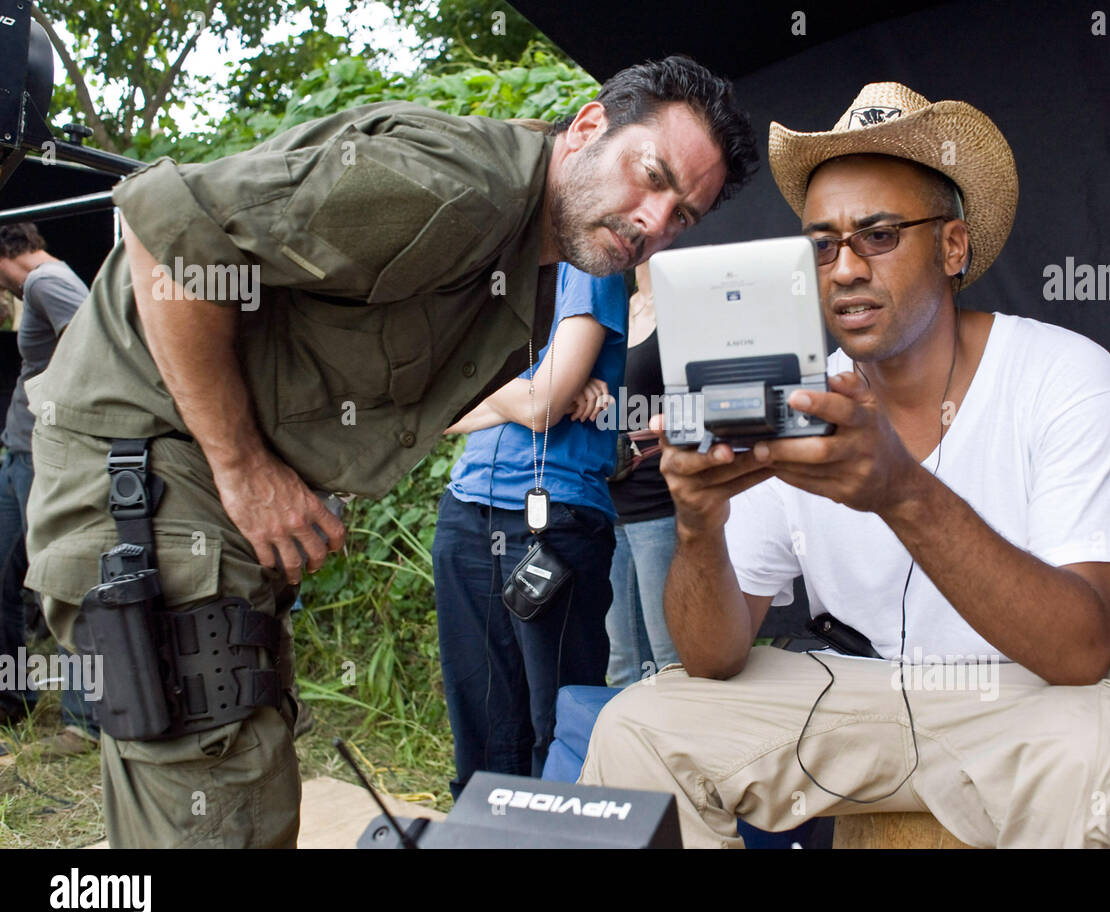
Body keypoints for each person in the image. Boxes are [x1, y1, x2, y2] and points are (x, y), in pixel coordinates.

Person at [23, 54, 757, 847]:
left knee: (205, 780)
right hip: (148, 473)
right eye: (650, 175)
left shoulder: (532, 266)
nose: (653, 220)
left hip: (190, 487)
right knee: (222, 798)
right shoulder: (451, 187)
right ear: (586, 127)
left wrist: (293, 468)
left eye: (683, 214)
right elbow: (168, 235)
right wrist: (244, 468)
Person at [579, 82, 1110, 848]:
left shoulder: (1062, 372)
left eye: (878, 235)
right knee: (641, 725)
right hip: (868, 694)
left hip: (1037, 703)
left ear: (953, 246)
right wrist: (698, 525)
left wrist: (901, 491)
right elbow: (712, 656)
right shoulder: (798, 399)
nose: (845, 267)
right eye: (821, 244)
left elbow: (1082, 652)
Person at [433, 261, 626, 795]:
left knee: (559, 718)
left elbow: (539, 407)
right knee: (479, 713)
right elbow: (439, 411)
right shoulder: (496, 271)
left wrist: (487, 383)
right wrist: (532, 392)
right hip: (465, 509)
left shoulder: (592, 265)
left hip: (556, 516)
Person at [0, 224, 99, 754]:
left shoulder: (45, 281)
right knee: (7, 578)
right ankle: (12, 697)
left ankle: (85, 722)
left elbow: (94, 347)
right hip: (19, 455)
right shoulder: (37, 286)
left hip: (42, 458)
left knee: (60, 580)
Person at [603, 260, 679, 686]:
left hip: (659, 504)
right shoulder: (614, 308)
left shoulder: (683, 310)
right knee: (620, 660)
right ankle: (626, 752)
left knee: (669, 656)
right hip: (606, 502)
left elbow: (704, 399)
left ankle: (682, 751)